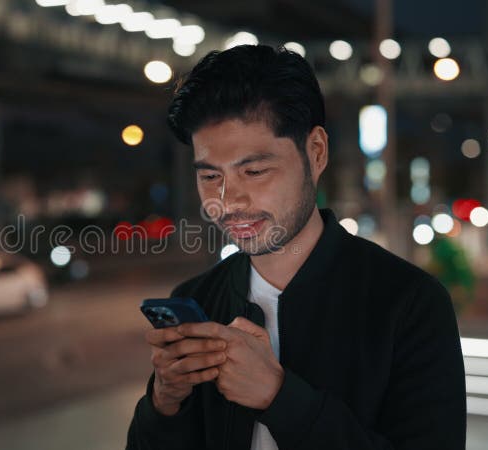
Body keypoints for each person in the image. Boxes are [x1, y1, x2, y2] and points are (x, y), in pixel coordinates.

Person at [126, 45, 466, 450]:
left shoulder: (408, 305)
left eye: (254, 171)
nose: (228, 199)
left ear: (316, 152)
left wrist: (280, 398)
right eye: (210, 175)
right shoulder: (197, 300)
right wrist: (164, 402)